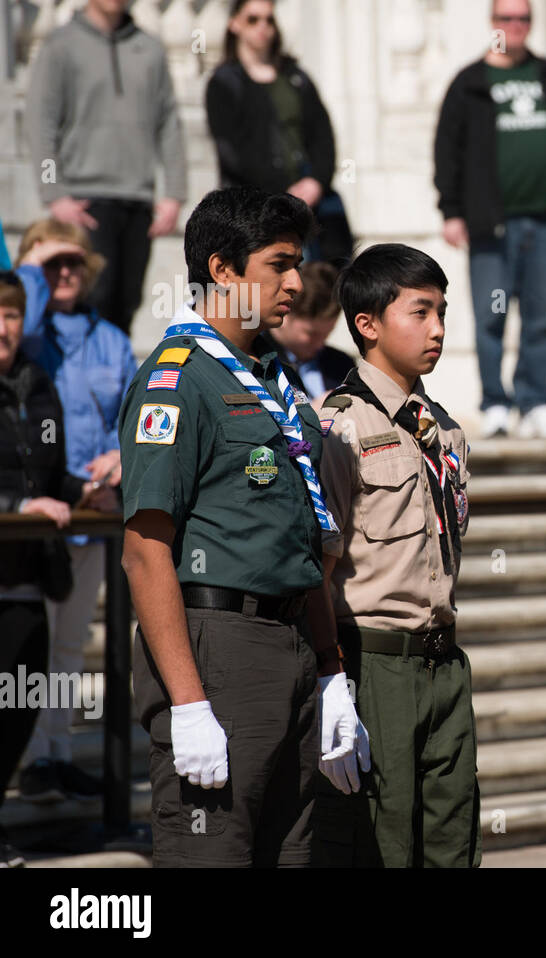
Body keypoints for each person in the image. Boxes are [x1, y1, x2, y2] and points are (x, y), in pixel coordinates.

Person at [118, 187, 365, 867]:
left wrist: (330, 669)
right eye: (279, 264)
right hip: (219, 648)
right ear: (224, 270)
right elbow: (144, 553)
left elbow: (302, 534)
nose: (296, 282)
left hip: (292, 641)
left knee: (294, 855)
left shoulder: (276, 382)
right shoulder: (178, 380)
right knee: (214, 853)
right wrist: (190, 702)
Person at [308, 244, 478, 868]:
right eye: (420, 312)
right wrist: (330, 679)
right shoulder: (338, 427)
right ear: (367, 325)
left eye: (442, 312)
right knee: (381, 841)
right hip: (373, 663)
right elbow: (318, 570)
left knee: (452, 837)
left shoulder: (445, 428)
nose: (437, 329)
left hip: (443, 662)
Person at [13, 219, 135, 804]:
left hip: (93, 511)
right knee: (33, 642)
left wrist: (118, 459)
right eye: (52, 265)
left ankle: (57, 752)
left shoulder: (111, 338)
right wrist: (31, 268)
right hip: (37, 516)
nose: (66, 274)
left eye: (75, 264)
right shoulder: (25, 333)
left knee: (68, 644)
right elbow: (16, 304)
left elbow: (134, 414)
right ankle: (31, 756)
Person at [434, 0, 546, 439]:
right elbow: (447, 149)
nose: (515, 26)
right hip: (491, 227)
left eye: (523, 18)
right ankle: (495, 403)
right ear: (493, 23)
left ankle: (534, 400)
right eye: (507, 18)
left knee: (540, 315)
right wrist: (451, 211)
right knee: (492, 315)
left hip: (544, 223)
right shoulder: (470, 83)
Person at [0, 272, 114, 867]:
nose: (4, 326)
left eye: (13, 315)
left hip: (27, 576)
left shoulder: (34, 381)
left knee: (22, 704)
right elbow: (23, 494)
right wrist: (19, 507)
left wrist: (90, 492)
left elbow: (48, 478)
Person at [25, 0, 187, 334]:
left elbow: (169, 123)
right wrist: (54, 194)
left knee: (127, 302)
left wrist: (174, 193)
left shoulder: (151, 50)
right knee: (90, 300)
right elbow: (41, 124)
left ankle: (117, 383)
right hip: (84, 201)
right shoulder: (60, 45)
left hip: (138, 199)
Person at [205, 0, 353, 266]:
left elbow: (322, 134)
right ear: (234, 24)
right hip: (256, 209)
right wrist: (283, 195)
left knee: (323, 286)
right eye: (253, 19)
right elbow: (231, 152)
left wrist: (316, 182)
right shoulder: (223, 83)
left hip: (311, 205)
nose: (263, 27)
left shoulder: (296, 78)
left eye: (269, 20)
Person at [266, 261, 353, 401]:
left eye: (327, 333)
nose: (320, 344)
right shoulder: (258, 359)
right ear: (285, 314)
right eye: (311, 334)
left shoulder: (342, 365)